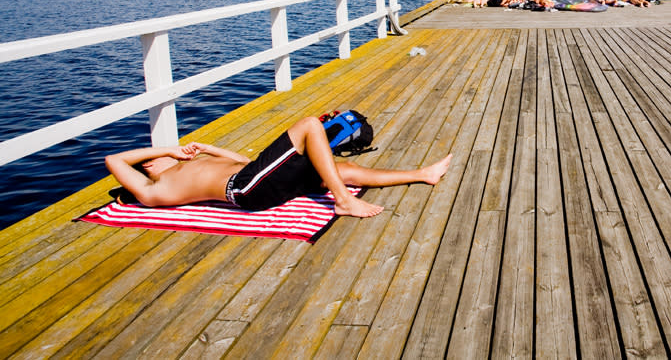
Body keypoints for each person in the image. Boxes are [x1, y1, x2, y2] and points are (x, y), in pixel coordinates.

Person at [105, 116, 452, 218]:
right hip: (244, 191)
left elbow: (247, 163)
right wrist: (171, 151)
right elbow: (113, 160)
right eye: (154, 157)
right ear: (150, 163)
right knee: (309, 126)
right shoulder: (156, 189)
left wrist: (207, 148)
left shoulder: (196, 165)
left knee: (333, 166)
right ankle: (344, 201)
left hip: (253, 182)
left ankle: (423, 174)